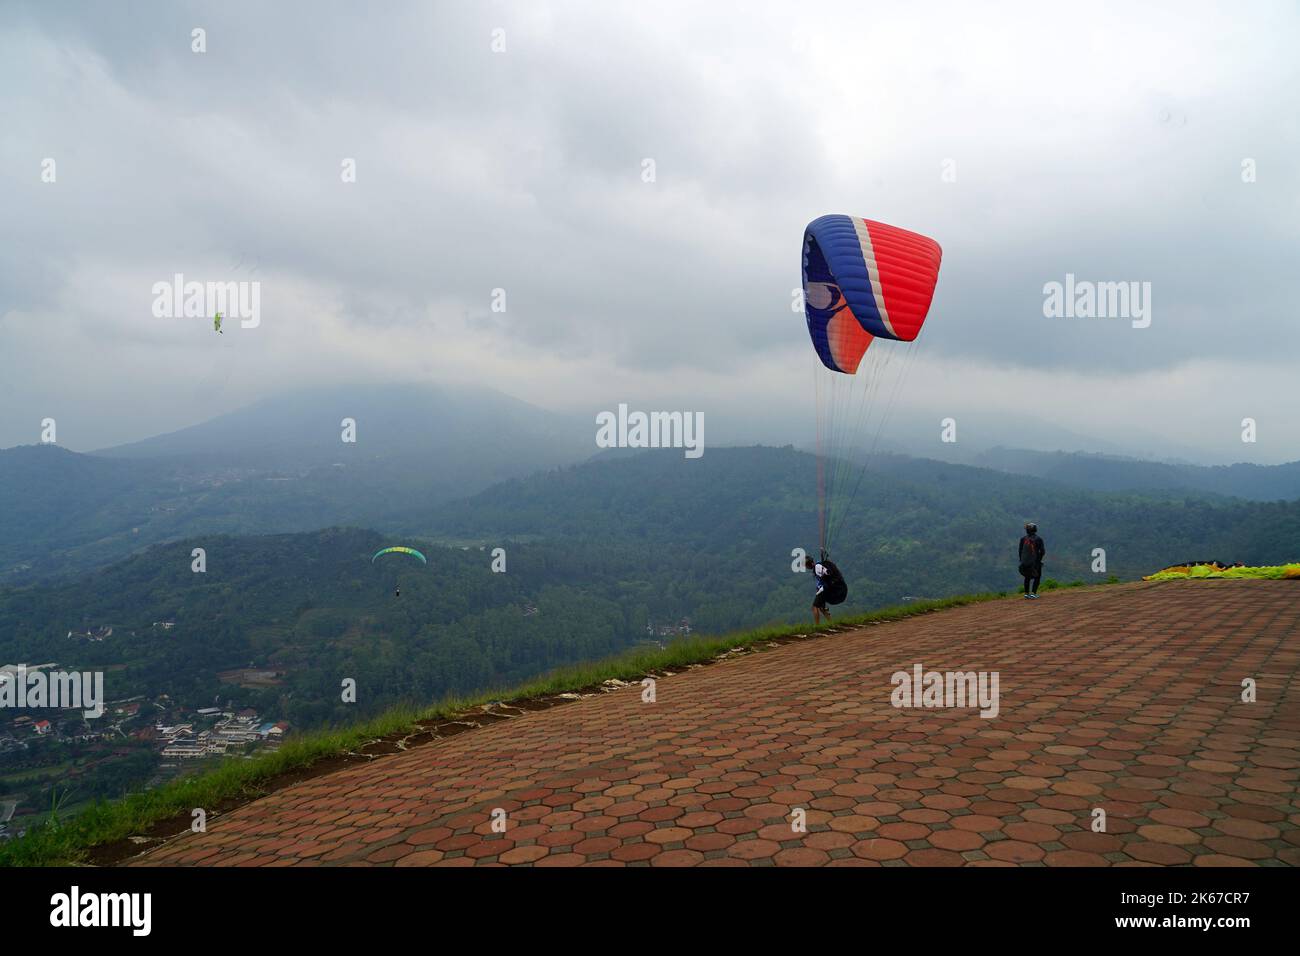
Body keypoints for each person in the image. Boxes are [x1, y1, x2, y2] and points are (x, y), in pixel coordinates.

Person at [806, 552, 847, 624]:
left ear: (809, 565)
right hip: (825, 589)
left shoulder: (817, 567)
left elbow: (827, 572)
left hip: (824, 589)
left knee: (815, 607)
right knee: (822, 608)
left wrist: (824, 574)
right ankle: (831, 623)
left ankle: (817, 626)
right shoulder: (817, 567)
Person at [1018, 522, 1046, 598]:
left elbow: (1020, 551)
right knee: (1037, 576)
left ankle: (1026, 594)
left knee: (1027, 577)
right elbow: (1042, 551)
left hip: (1025, 562)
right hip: (1035, 562)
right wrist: (1039, 560)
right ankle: (1033, 593)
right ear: (1035, 530)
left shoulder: (1023, 539)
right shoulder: (1039, 539)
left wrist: (1022, 560)